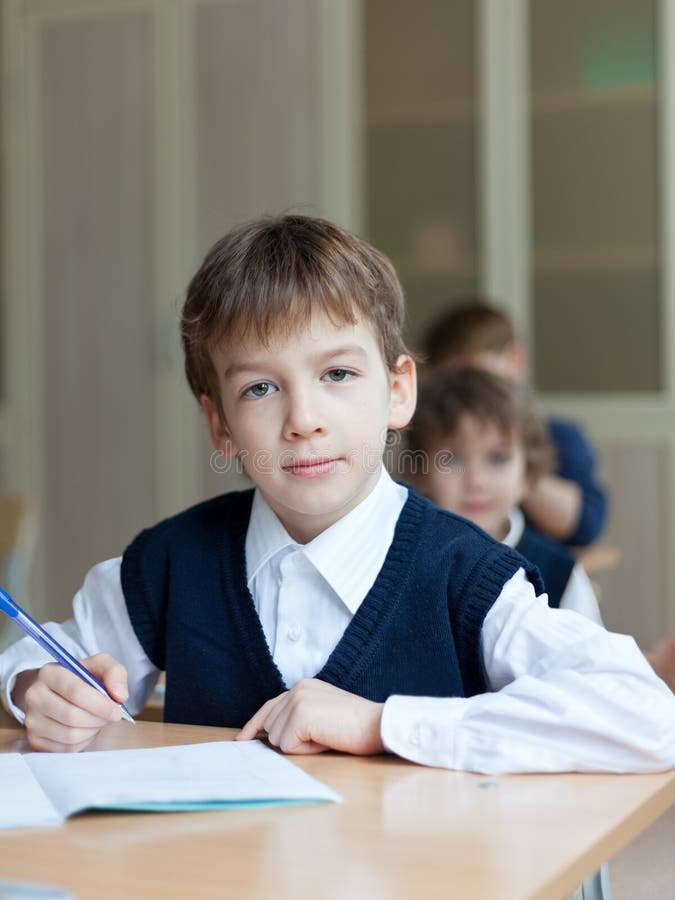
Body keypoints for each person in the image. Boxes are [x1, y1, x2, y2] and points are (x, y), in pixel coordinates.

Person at [0, 215, 673, 774]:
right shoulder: (170, 562)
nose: (304, 418)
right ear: (219, 424)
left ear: (398, 390)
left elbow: (646, 715)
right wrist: (40, 692)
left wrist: (383, 724)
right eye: (260, 388)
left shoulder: (464, 576)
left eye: (338, 373)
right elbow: (37, 661)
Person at [405, 365, 675, 690]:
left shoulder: (560, 572)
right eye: (452, 460)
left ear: (528, 475)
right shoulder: (407, 563)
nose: (476, 480)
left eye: (497, 459)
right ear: (421, 475)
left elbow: (593, 675)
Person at [422, 300, 607, 547]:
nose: (476, 480)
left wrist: (517, 469)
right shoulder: (427, 438)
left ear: (515, 361)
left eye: (497, 457)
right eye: (452, 387)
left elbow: (586, 523)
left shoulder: (558, 435)